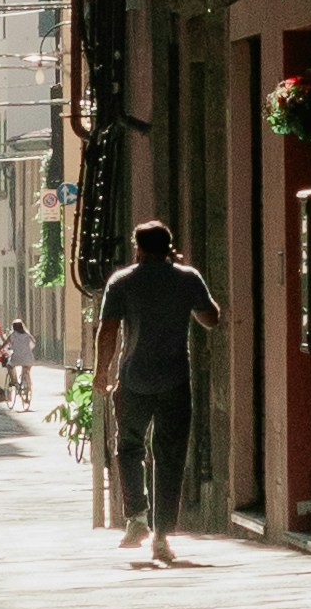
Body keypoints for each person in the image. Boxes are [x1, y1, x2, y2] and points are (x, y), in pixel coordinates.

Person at [92, 215, 222, 565]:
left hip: (133, 380)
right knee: (170, 458)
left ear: (138, 248)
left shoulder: (122, 282)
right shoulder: (187, 278)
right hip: (175, 381)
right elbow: (212, 318)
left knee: (129, 447)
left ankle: (136, 516)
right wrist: (186, 286)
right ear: (168, 248)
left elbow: (108, 331)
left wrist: (101, 371)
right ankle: (162, 537)